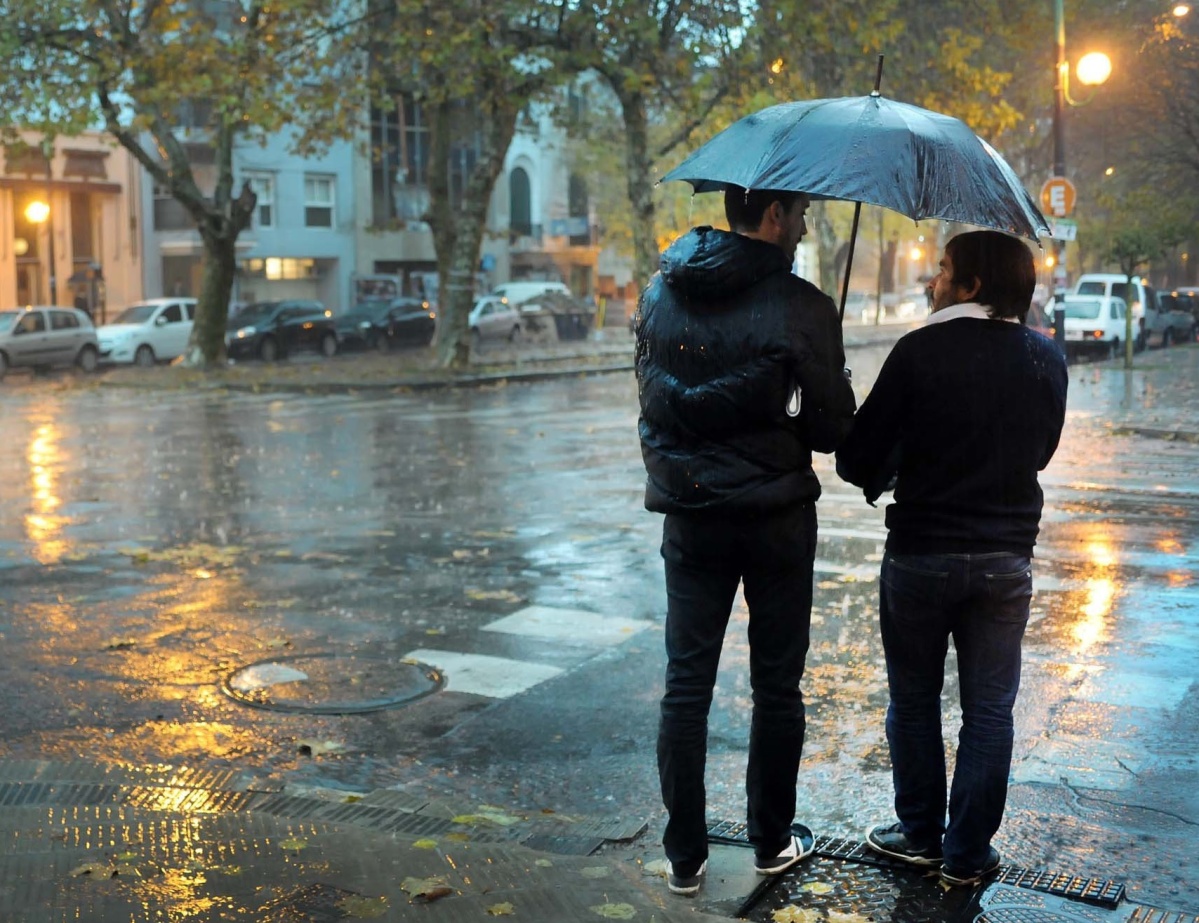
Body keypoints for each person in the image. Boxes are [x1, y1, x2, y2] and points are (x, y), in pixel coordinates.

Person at [634, 187, 857, 896]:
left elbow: (651, 401)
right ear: (771, 216)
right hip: (775, 520)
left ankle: (684, 856)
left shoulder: (659, 293)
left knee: (686, 683)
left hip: (691, 514)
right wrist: (821, 381)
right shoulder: (803, 304)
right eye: (799, 214)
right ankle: (768, 841)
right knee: (776, 685)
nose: (801, 226)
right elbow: (830, 430)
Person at [835, 230, 1068, 887]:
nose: (932, 281)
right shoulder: (1045, 359)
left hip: (919, 555)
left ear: (969, 284)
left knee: (913, 701)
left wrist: (858, 423)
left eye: (942, 270)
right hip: (1003, 560)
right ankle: (966, 853)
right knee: (989, 710)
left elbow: (857, 460)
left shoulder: (917, 351)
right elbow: (1039, 452)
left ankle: (918, 834)